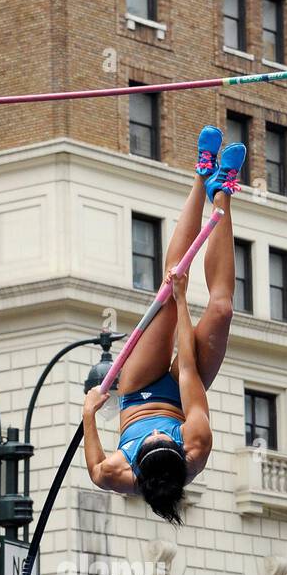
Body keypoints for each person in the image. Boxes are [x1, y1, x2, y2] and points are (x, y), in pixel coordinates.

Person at [82, 128, 245, 524]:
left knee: (169, 287)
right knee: (221, 310)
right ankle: (221, 190)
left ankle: (201, 174)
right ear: (180, 452)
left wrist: (89, 412)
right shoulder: (196, 443)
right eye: (162, 439)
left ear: (137, 464)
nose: (157, 435)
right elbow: (187, 368)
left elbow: (95, 465)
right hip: (181, 396)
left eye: (149, 441)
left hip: (137, 390)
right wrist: (184, 299)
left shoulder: (116, 474)